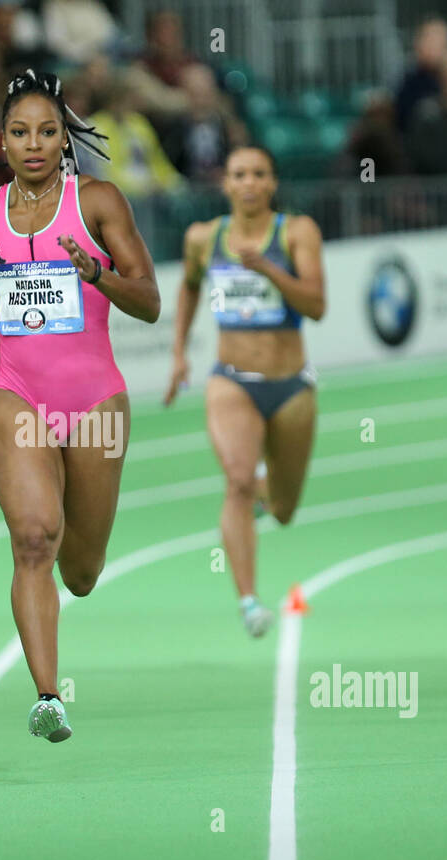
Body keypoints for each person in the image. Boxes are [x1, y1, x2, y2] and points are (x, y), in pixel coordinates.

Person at [0, 69, 161, 742]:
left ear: (64, 139)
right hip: (20, 396)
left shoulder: (97, 203)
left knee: (83, 571)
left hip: (96, 403)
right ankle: (48, 697)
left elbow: (150, 301)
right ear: (0, 142)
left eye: (47, 131)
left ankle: (76, 575)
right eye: (19, 132)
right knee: (33, 538)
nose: (33, 143)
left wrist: (98, 274)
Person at [164, 146, 326, 637]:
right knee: (235, 479)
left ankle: (264, 493)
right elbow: (191, 285)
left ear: (272, 182)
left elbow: (316, 305)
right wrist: (179, 353)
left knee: (284, 510)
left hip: (291, 385)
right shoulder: (204, 238)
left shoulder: (296, 232)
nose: (249, 182)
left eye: (259, 174)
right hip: (230, 380)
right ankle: (250, 601)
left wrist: (270, 270)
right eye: (239, 175)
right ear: (226, 184)